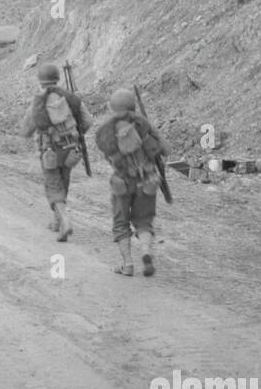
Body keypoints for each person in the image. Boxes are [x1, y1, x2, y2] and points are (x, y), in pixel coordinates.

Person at [95, 89, 170, 276]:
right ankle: (145, 251)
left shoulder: (107, 131)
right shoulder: (144, 125)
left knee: (121, 223)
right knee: (144, 221)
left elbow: (108, 157)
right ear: (133, 106)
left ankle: (127, 264)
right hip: (147, 180)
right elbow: (166, 150)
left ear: (113, 108)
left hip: (122, 182)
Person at [21, 62, 92, 241]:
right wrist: (75, 134)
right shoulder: (69, 98)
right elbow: (87, 121)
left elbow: (26, 130)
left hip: (50, 150)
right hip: (71, 149)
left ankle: (65, 221)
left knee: (53, 185)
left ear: (40, 82)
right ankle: (56, 221)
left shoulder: (38, 102)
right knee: (64, 180)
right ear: (58, 79)